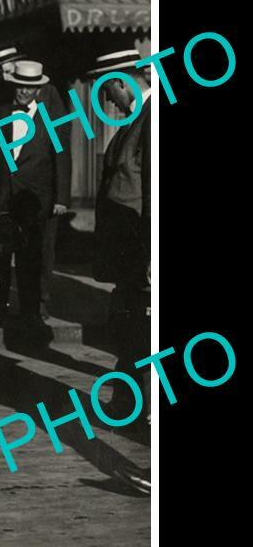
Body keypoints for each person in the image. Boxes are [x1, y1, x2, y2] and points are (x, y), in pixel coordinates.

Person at [89, 49, 151, 428]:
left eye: (106, 91)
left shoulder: (152, 117)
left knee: (141, 328)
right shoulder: (135, 121)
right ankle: (128, 401)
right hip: (127, 252)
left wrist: (151, 256)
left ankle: (141, 407)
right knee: (126, 324)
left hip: (141, 248)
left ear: (120, 82)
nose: (107, 101)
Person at [0, 59, 71, 328]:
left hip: (34, 201)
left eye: (29, 88)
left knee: (30, 257)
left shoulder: (50, 120)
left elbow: (62, 158)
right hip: (1, 198)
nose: (24, 91)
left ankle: (31, 313)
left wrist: (61, 199)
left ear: (38, 90)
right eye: (20, 86)